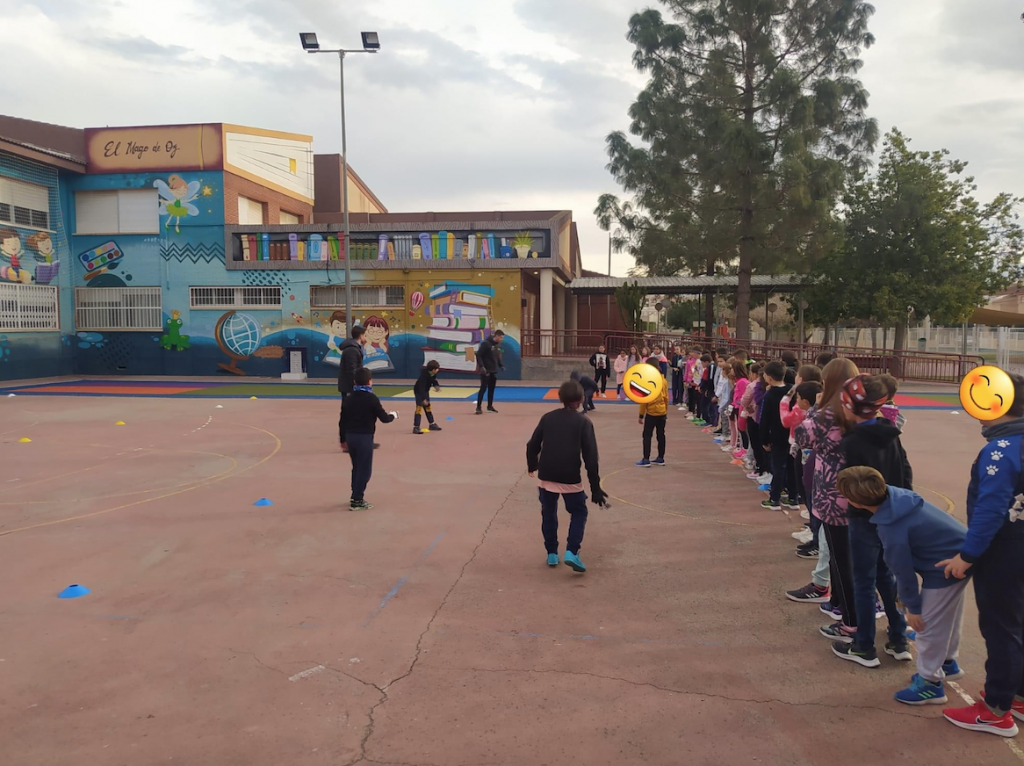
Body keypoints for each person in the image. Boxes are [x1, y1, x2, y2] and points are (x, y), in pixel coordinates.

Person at [836, 467, 969, 705]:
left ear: (856, 502)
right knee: (950, 615)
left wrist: (913, 608)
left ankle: (930, 684)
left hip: (944, 568)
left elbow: (903, 573)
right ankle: (947, 663)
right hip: (960, 557)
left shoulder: (892, 529)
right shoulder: (898, 498)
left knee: (927, 626)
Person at [941, 373, 1024, 737]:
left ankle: (995, 709)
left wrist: (968, 555)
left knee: (1001, 627)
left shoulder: (1000, 451)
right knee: (1017, 623)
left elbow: (991, 509)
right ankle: (1016, 695)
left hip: (1004, 551)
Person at [834, 373, 913, 668]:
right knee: (885, 575)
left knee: (864, 581)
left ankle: (864, 645)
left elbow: (854, 486)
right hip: (892, 516)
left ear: (851, 406)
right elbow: (905, 473)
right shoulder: (890, 433)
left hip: (864, 519)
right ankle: (898, 637)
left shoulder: (854, 442)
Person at [793, 358, 862, 638]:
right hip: (861, 489)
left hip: (834, 496)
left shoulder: (827, 413)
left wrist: (817, 406)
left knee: (840, 559)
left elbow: (801, 436)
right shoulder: (862, 409)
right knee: (856, 557)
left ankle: (850, 620)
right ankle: (843, 606)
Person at [526, 379, 609, 573]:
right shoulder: (584, 422)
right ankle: (572, 551)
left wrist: (532, 465)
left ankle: (552, 553)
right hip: (569, 476)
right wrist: (595, 488)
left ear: (560, 398)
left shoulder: (547, 417)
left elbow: (532, 445)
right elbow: (591, 459)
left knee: (548, 512)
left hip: (547, 475)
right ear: (582, 399)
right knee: (579, 512)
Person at [340, 368, 397, 511]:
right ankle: (357, 500)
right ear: (370, 382)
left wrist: (342, 439)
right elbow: (384, 418)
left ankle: (355, 495)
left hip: (351, 437)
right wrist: (393, 415)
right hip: (364, 437)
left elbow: (342, 421)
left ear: (354, 382)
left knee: (357, 467)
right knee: (365, 470)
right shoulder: (372, 398)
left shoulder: (349, 398)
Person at [760, 361, 799, 511]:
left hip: (777, 436)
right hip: (793, 435)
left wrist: (764, 439)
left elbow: (764, 420)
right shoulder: (792, 391)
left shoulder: (769, 395)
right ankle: (793, 497)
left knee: (778, 467)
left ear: (769, 378)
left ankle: (774, 498)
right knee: (792, 466)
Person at [337, 325, 367, 450]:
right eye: (365, 335)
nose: (366, 338)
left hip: (352, 387)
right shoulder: (351, 350)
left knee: (355, 414)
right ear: (361, 336)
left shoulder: (355, 349)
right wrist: (357, 386)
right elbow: (352, 371)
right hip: (350, 388)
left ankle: (355, 441)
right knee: (347, 414)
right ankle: (345, 442)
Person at [636, 357, 669, 467]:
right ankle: (661, 458)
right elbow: (666, 398)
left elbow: (643, 400)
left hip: (651, 412)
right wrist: (666, 411)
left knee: (647, 435)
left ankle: (646, 459)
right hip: (662, 411)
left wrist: (641, 415)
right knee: (661, 435)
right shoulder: (663, 380)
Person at [475, 329, 505, 414]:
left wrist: (501, 365)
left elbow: (497, 357)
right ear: (496, 336)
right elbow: (478, 354)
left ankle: (489, 406)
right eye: (501, 337)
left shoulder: (497, 346)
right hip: (486, 370)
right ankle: (478, 407)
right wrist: (481, 366)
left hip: (493, 370)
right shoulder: (486, 344)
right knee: (483, 388)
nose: (502, 339)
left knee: (491, 389)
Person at [413, 360, 443, 435]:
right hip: (419, 392)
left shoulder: (433, 374)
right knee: (419, 409)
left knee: (428, 407)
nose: (438, 370)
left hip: (425, 391)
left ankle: (432, 424)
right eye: (437, 369)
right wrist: (423, 399)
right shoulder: (423, 376)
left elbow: (434, 380)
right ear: (433, 370)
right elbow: (421, 388)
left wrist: (436, 386)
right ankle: (416, 427)